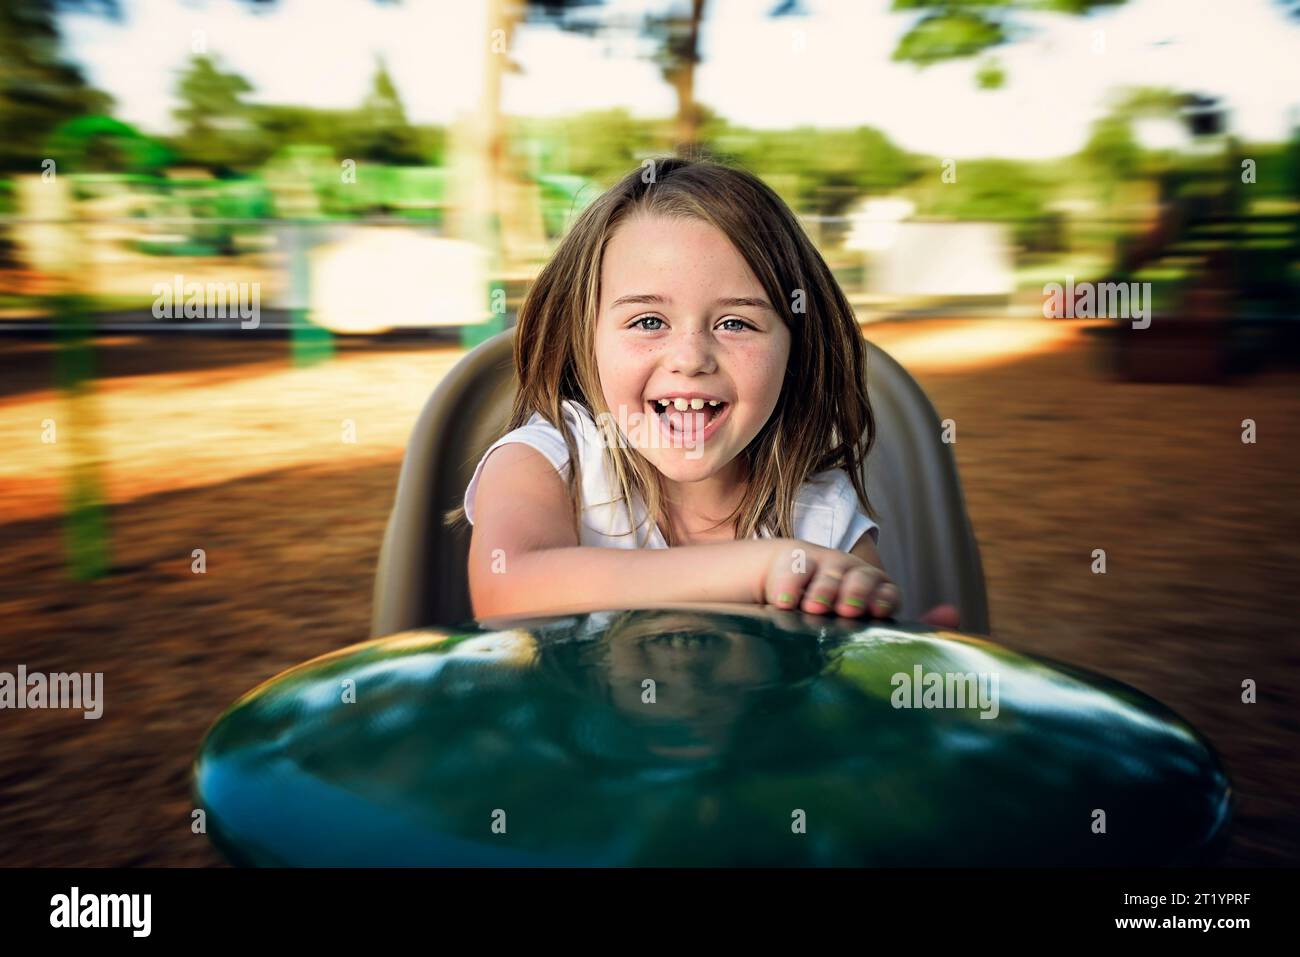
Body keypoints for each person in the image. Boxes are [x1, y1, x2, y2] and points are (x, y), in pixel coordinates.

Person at [450, 156, 959, 629]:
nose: (691, 358)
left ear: (797, 350)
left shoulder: (823, 513)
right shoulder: (548, 458)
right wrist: (758, 571)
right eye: (648, 321)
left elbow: (852, 668)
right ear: (585, 337)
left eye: (736, 323)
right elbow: (506, 586)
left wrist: (893, 661)